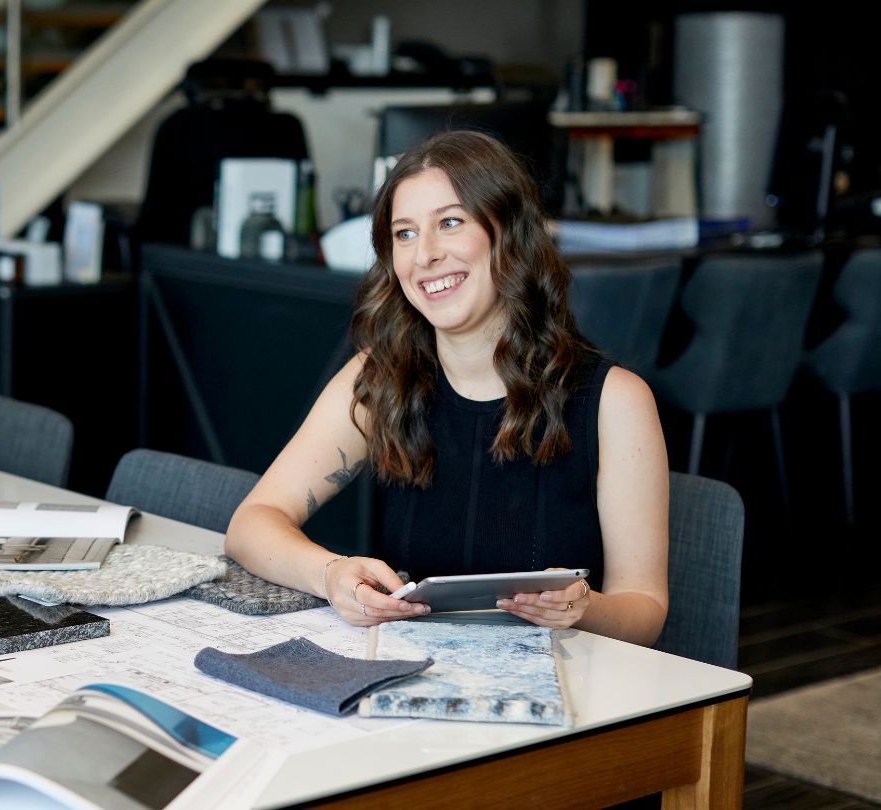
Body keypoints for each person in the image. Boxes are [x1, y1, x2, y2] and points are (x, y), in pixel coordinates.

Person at [226, 131, 669, 644]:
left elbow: (646, 610)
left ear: (508, 233)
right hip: (410, 680)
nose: (425, 255)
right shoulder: (379, 379)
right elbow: (252, 523)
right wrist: (330, 574)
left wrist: (583, 609)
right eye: (405, 234)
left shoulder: (615, 401)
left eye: (450, 223)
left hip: (567, 692)